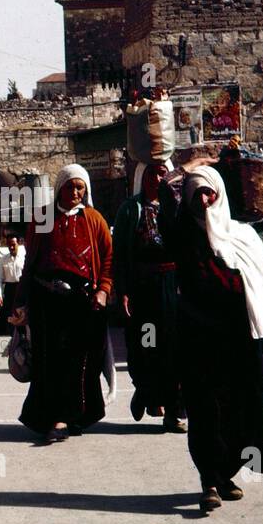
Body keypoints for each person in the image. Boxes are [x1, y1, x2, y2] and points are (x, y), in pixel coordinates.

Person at [160, 165, 263, 514]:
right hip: (199, 339)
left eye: (208, 192)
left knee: (245, 406)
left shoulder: (242, 236)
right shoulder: (184, 236)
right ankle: (209, 480)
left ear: (219, 194)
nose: (203, 199)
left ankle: (227, 473)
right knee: (205, 409)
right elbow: (168, 215)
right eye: (196, 193)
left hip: (238, 338)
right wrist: (172, 181)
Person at [12, 164, 114, 443]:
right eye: (70, 186)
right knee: (50, 361)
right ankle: (55, 418)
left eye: (80, 187)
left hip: (83, 304)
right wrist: (20, 302)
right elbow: (30, 262)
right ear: (60, 188)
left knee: (79, 363)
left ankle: (73, 416)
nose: (75, 192)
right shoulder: (43, 218)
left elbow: (107, 259)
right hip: (47, 301)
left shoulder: (94, 219)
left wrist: (103, 290)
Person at [113, 161, 185, 431]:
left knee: (175, 348)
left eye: (162, 172)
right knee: (147, 344)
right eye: (152, 172)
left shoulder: (178, 207)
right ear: (143, 177)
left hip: (172, 287)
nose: (158, 177)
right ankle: (147, 390)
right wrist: (123, 291)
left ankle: (174, 410)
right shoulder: (131, 209)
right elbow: (120, 254)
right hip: (143, 290)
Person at [0, 234, 25, 321]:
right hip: (9, 290)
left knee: (23, 315)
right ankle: (13, 333)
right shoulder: (3, 259)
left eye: (13, 244)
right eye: (9, 245)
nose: (11, 247)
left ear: (18, 243)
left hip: (22, 288)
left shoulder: (24, 257)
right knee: (11, 316)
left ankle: (23, 333)